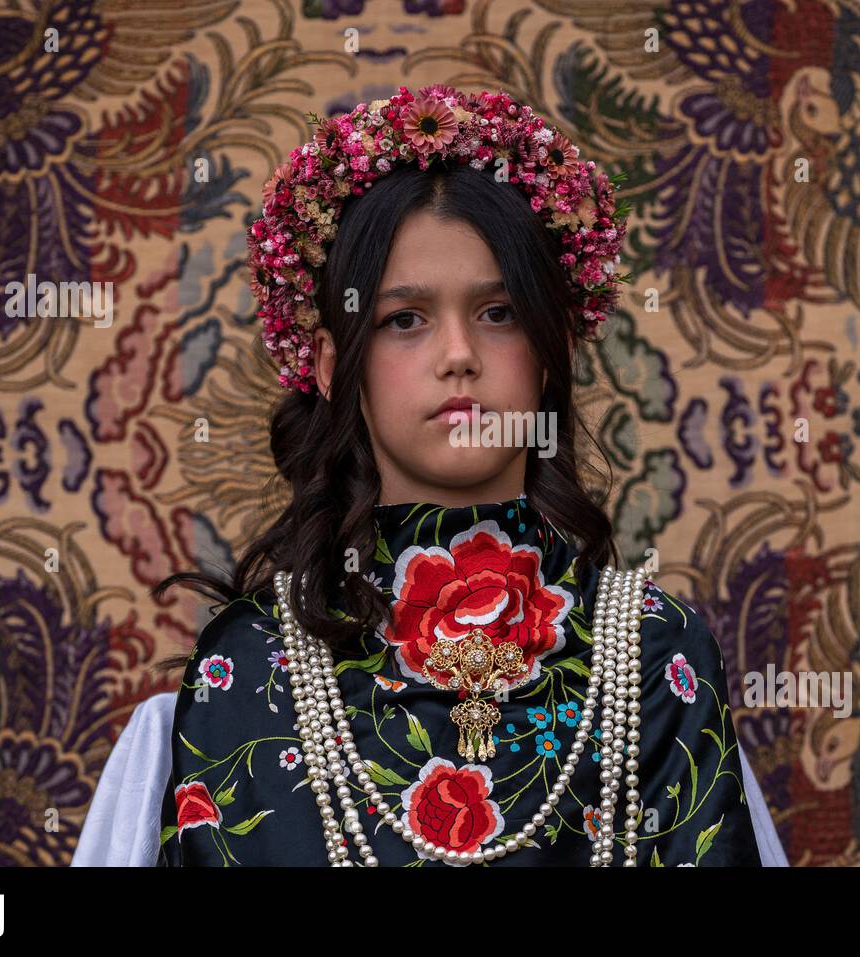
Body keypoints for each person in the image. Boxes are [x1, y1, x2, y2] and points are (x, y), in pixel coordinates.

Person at [149, 85, 761, 866]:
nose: (458, 354)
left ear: (556, 351)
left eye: (498, 312)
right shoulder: (251, 666)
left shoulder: (652, 650)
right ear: (336, 368)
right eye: (404, 319)